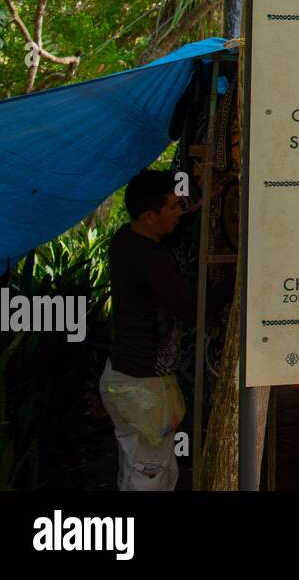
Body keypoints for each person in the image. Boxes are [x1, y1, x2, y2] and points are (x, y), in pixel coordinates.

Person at [98, 169, 192, 490]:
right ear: (150, 216)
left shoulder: (125, 238)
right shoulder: (150, 262)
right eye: (174, 208)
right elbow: (189, 306)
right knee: (151, 476)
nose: (179, 214)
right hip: (143, 388)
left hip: (123, 378)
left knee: (138, 469)